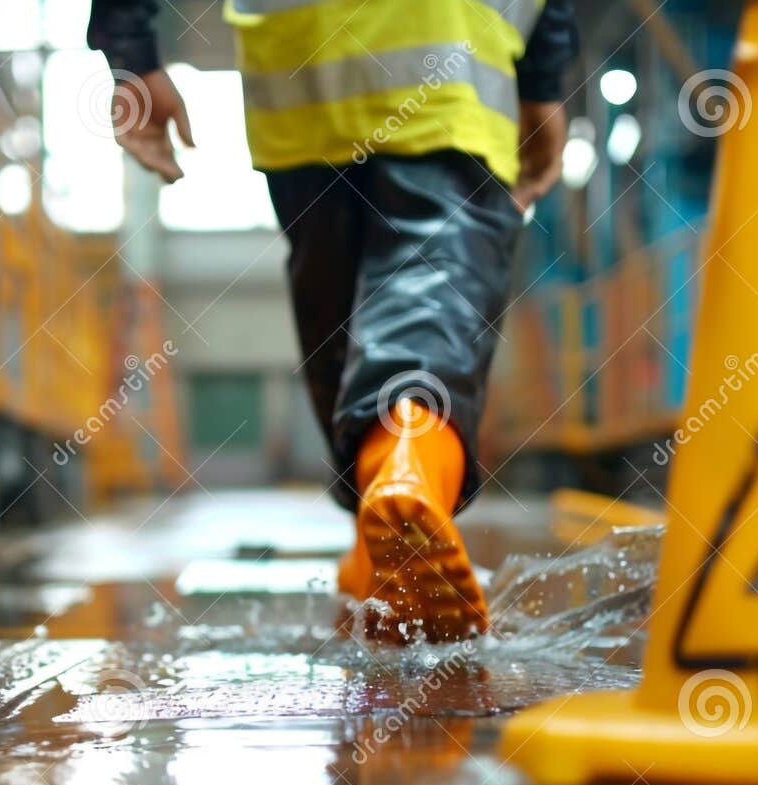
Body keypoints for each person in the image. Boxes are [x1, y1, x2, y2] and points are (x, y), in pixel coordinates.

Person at [88, 0, 578, 641]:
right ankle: (409, 462)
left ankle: (372, 547)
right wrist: (544, 83)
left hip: (300, 80)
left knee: (337, 324)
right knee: (432, 287)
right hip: (448, 54)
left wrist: (132, 56)